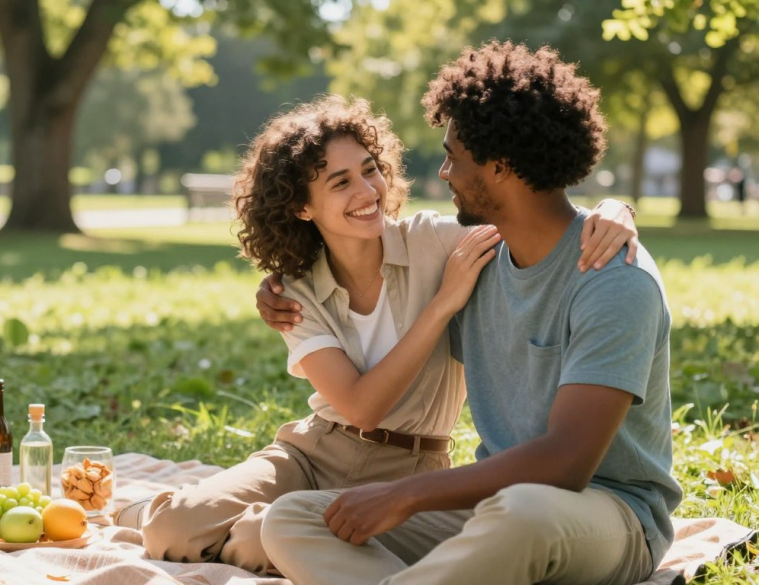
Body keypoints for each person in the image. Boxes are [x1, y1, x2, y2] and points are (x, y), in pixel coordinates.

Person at [126, 95, 639, 575]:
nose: (367, 192)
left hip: (411, 465)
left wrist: (617, 210)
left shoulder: (439, 240)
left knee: (266, 536)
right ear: (303, 207)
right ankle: (171, 514)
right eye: (340, 182)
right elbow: (360, 408)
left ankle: (254, 531)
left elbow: (530, 210)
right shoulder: (296, 291)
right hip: (315, 451)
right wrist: (441, 307)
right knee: (173, 528)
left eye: (369, 171)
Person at [258, 41, 682, 585]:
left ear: (501, 167)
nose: (443, 172)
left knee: (524, 515)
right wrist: (274, 288)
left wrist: (404, 495)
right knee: (296, 517)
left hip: (608, 515)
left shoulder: (614, 280)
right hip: (495, 504)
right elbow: (362, 268)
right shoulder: (475, 264)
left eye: (454, 156)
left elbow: (568, 462)